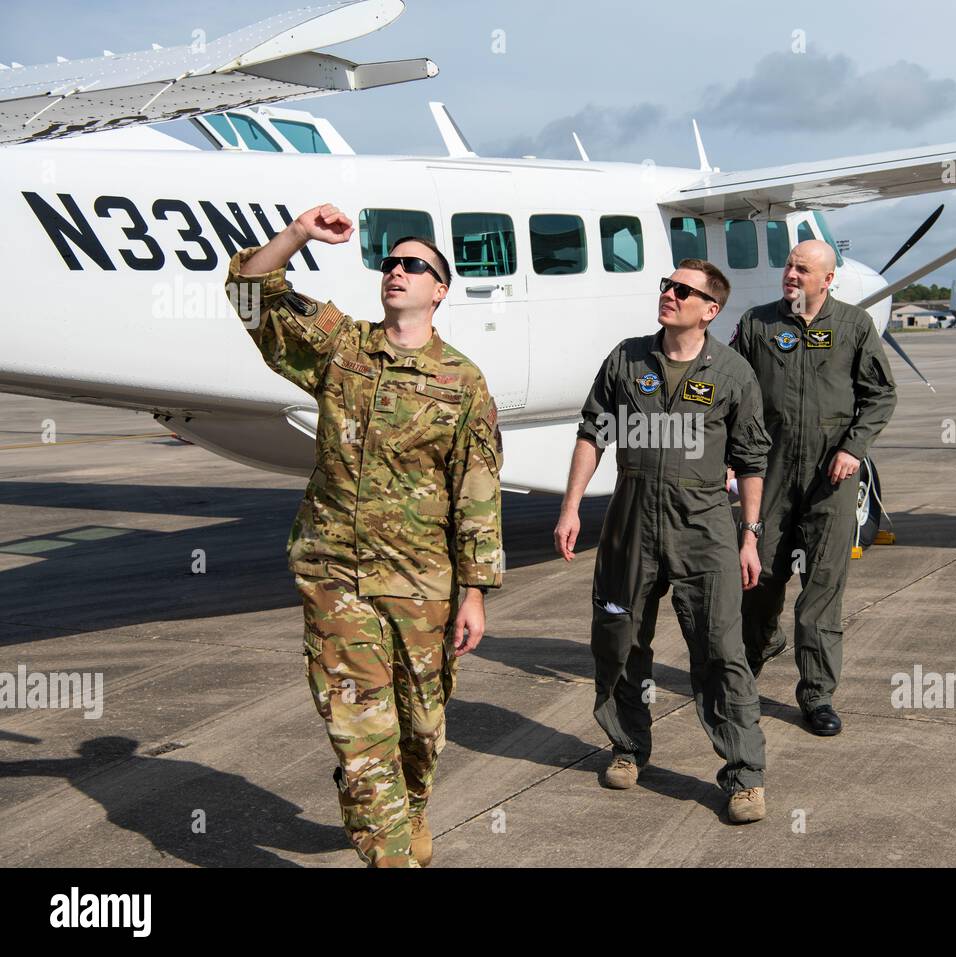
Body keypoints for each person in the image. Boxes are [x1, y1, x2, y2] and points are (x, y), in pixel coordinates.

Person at [226, 203, 503, 867]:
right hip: (335, 579)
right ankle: (389, 852)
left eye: (415, 266)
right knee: (359, 732)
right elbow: (247, 292)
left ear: (440, 289)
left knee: (421, 728)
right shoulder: (341, 347)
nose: (397, 272)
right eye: (391, 263)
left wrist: (475, 592)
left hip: (422, 585)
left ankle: (411, 805)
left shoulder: (462, 382)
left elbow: (478, 491)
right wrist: (296, 235)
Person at [553, 260, 772, 823]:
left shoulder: (732, 371)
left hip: (704, 524)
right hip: (630, 518)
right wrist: (572, 506)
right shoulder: (627, 358)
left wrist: (749, 536)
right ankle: (627, 748)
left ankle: (744, 776)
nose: (669, 295)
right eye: (666, 286)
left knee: (722, 651)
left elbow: (751, 460)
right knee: (620, 639)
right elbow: (592, 431)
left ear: (710, 309)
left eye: (683, 290)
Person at [731, 239, 897, 736]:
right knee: (760, 577)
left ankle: (817, 694)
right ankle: (751, 662)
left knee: (823, 588)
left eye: (803, 269)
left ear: (828, 280)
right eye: (788, 266)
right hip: (772, 473)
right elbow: (734, 390)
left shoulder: (853, 326)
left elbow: (880, 395)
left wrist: (854, 447)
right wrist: (728, 458)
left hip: (831, 478)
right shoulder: (759, 325)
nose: (791, 275)